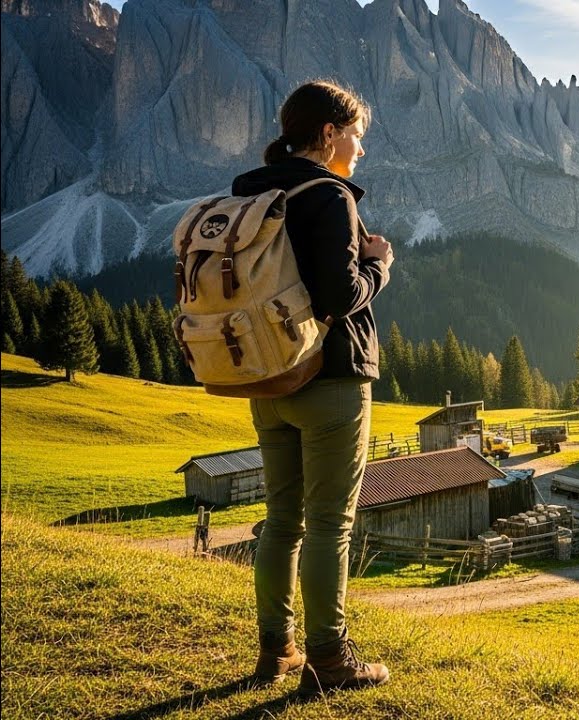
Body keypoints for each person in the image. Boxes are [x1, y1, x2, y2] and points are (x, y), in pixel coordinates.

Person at [232, 80, 394, 695]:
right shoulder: (329, 195)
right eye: (355, 135)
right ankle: (329, 659)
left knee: (280, 520)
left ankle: (276, 650)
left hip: (266, 378)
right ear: (328, 134)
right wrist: (379, 262)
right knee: (330, 523)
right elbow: (339, 297)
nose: (359, 148)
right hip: (329, 379)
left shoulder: (250, 189)